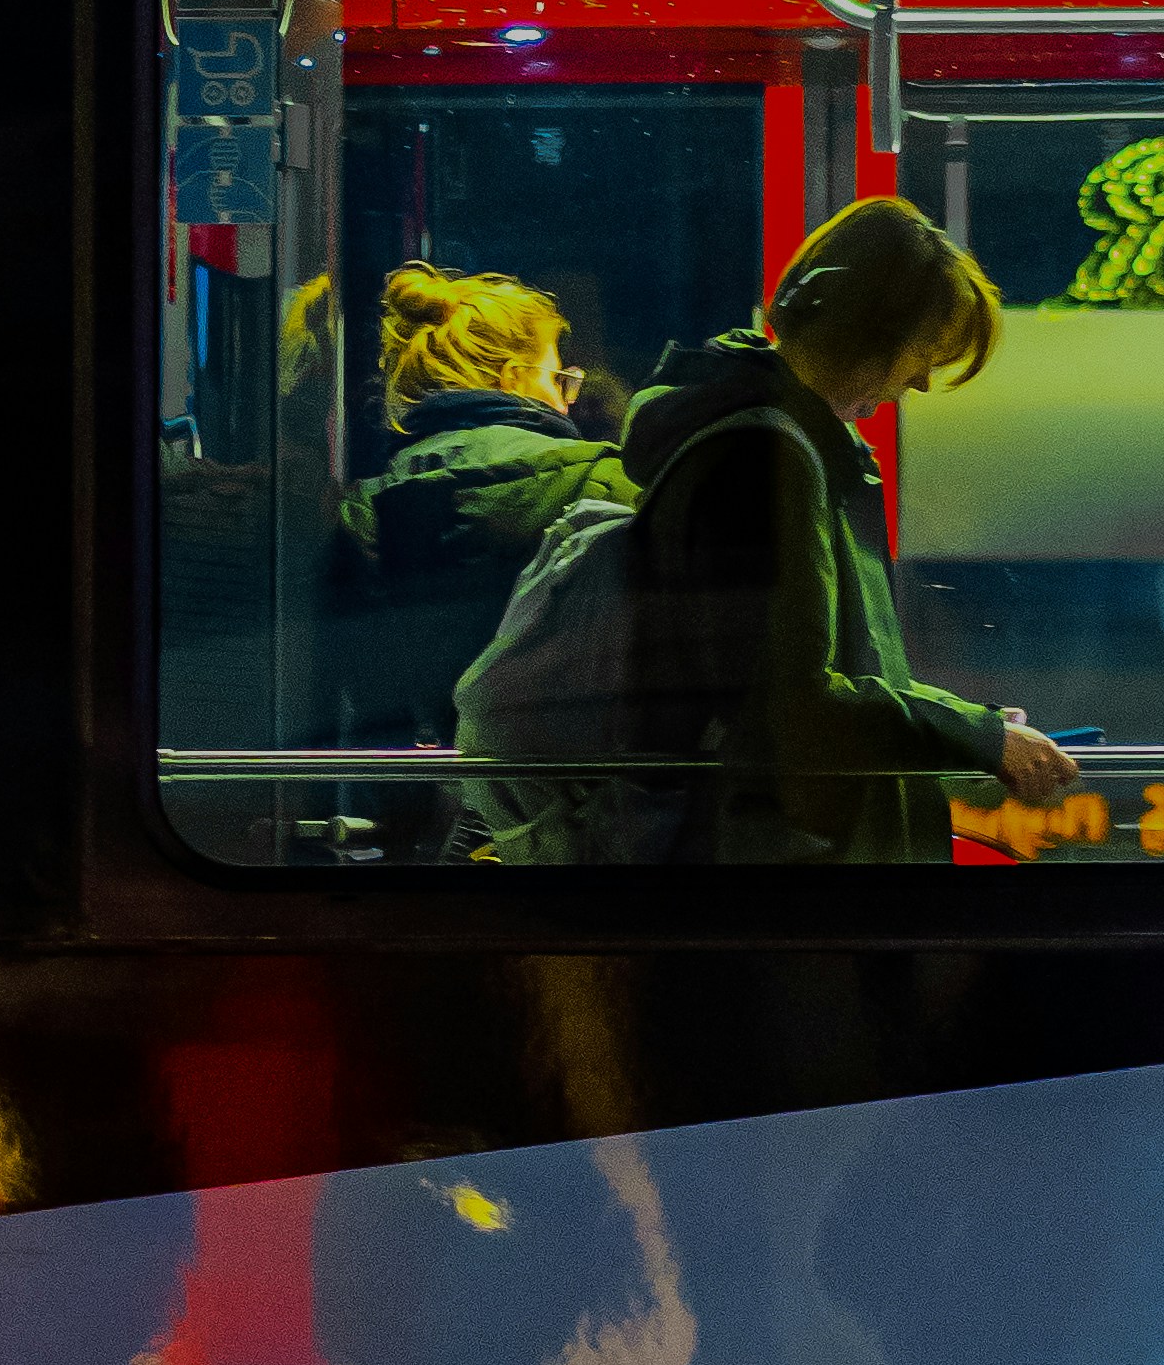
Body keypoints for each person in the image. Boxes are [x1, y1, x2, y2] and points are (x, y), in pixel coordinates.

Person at [464, 194, 1083, 864]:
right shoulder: (766, 459)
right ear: (870, 331)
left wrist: (973, 730)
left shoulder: (767, 445)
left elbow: (806, 675)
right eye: (926, 352)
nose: (924, 382)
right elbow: (792, 708)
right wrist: (975, 737)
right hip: (779, 870)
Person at [331, 263, 624, 747]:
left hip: (424, 774)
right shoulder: (601, 479)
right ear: (514, 378)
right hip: (563, 775)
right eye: (560, 380)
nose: (568, 401)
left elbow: (361, 680)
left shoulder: (361, 509)